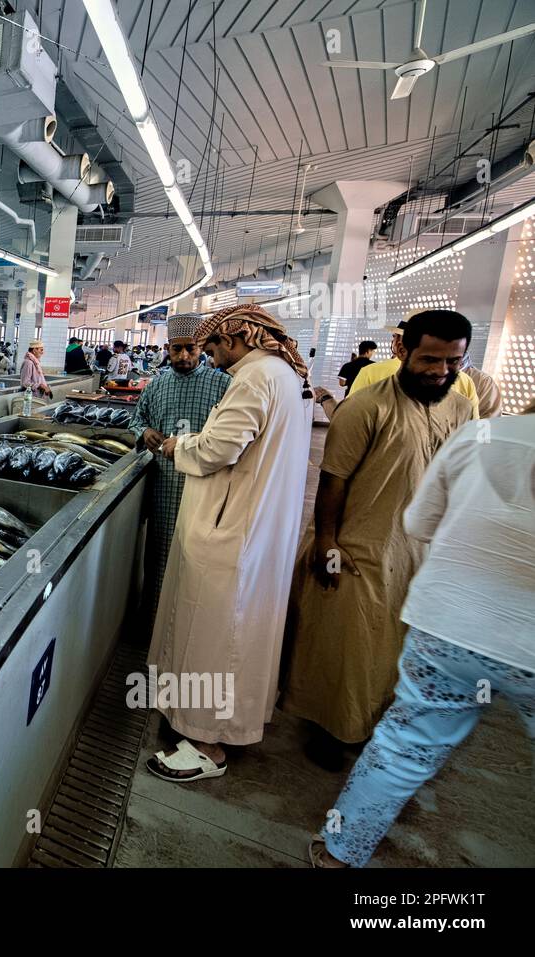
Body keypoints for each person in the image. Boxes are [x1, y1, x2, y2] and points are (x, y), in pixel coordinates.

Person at [309, 403, 535, 868]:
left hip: (446, 626)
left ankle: (338, 854)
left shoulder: (478, 435)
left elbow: (418, 524)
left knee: (403, 747)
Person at [282, 310, 475, 765]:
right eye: (430, 360)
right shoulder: (367, 407)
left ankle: (375, 725)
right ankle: (332, 729)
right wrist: (327, 542)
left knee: (394, 646)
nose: (440, 372)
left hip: (420, 549)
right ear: (402, 350)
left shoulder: (462, 408)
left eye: (453, 362)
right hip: (361, 543)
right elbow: (333, 480)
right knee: (348, 643)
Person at [144, 304, 311, 782]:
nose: (210, 356)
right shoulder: (280, 375)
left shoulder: (255, 377)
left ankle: (206, 743)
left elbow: (220, 449)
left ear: (238, 337)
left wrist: (180, 446)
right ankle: (203, 724)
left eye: (213, 346)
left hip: (234, 527)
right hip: (252, 523)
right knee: (226, 632)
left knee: (218, 634)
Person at [127, 314, 230, 616]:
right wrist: (143, 432)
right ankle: (154, 620)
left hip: (206, 485)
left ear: (201, 349)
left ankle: (187, 621)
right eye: (176, 349)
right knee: (159, 553)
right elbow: (137, 419)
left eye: (191, 349)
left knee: (196, 555)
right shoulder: (155, 386)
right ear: (167, 349)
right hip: (164, 485)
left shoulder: (223, 384)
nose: (184, 356)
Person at [347, 316, 479, 417]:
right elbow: (472, 433)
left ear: (399, 344)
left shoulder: (371, 372)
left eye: (394, 337)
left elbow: (350, 419)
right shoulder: (465, 381)